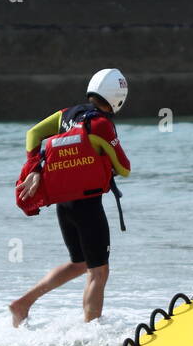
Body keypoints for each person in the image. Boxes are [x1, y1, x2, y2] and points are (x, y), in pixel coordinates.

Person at [10, 68, 131, 327]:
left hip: (64, 203)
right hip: (88, 206)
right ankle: (91, 332)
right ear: (117, 97)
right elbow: (125, 169)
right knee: (98, 271)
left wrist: (34, 168)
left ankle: (23, 303)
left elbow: (32, 135)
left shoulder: (68, 115)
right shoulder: (101, 125)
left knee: (80, 263)